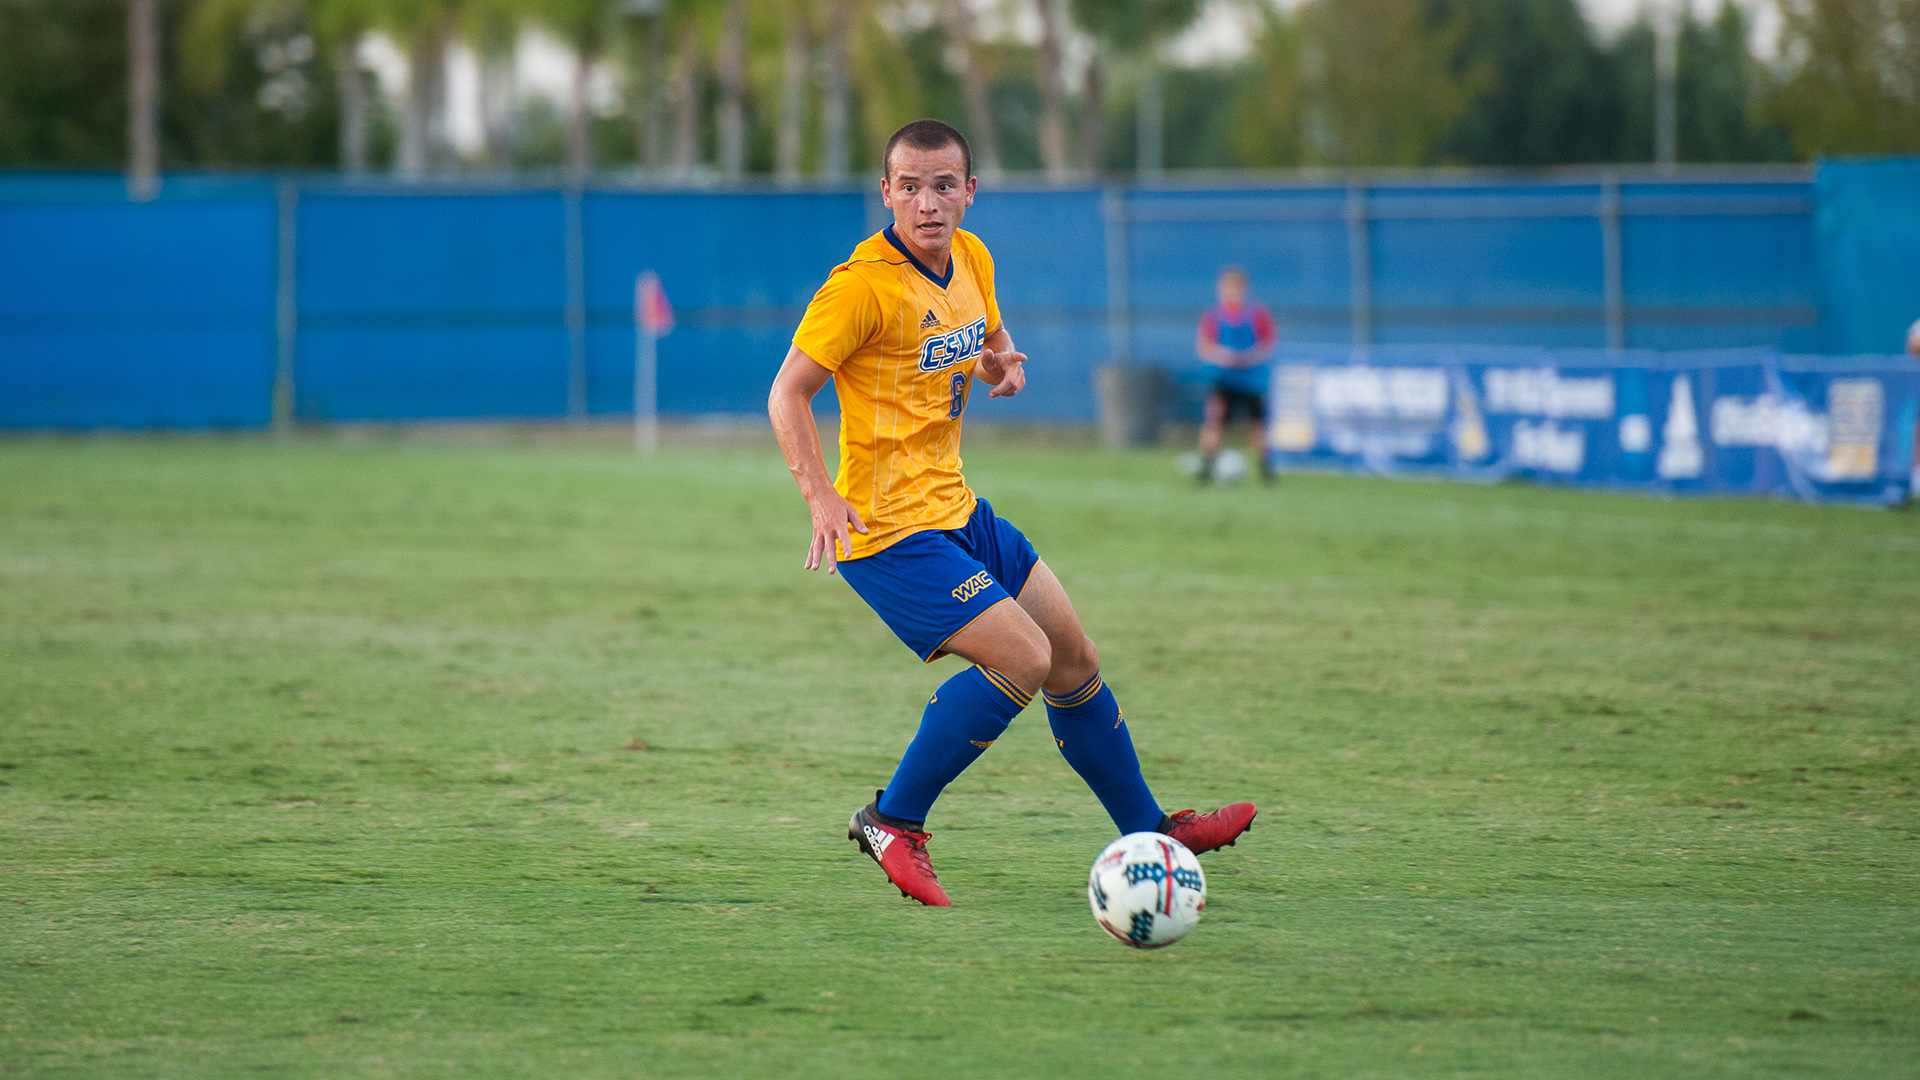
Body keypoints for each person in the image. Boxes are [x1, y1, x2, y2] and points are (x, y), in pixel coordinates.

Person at [767, 120, 1257, 908]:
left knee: (1072, 657)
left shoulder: (973, 257)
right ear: (886, 192)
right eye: (910, 186)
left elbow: (988, 339)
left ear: (969, 190)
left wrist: (998, 364)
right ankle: (894, 819)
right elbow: (786, 393)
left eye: (944, 185)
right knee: (1023, 659)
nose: (928, 202)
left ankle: (1150, 832)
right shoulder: (859, 287)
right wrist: (819, 494)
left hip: (959, 509)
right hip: (887, 531)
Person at [1194, 266, 1279, 485]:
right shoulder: (1213, 316)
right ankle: (1205, 470)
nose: (1232, 292)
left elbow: (1268, 345)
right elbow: (1204, 348)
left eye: (1237, 288)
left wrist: (1250, 357)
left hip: (1251, 379)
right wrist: (1223, 356)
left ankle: (1266, 472)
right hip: (1223, 378)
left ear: (1245, 289)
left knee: (1257, 425)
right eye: (1227, 288)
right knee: (1214, 421)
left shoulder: (1257, 314)